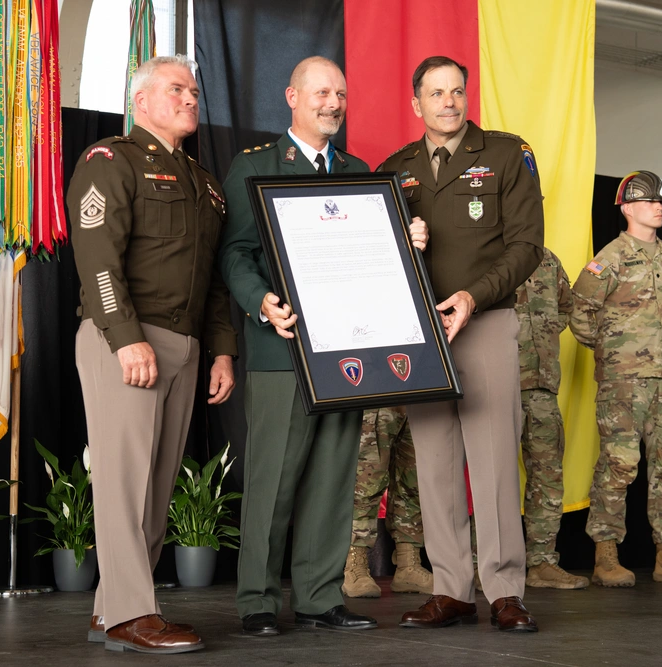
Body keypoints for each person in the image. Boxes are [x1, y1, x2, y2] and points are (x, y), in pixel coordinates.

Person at [219, 56, 426, 637]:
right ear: (291, 96)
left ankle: (317, 597)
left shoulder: (362, 171)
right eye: (320, 93)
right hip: (282, 346)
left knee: (335, 478)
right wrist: (260, 300)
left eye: (340, 93)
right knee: (273, 480)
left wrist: (406, 236)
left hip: (347, 350)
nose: (332, 103)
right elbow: (233, 253)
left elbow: (376, 259)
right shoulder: (253, 166)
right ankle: (258, 601)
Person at [69, 55, 237, 655]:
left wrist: (220, 352)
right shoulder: (110, 161)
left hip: (185, 347)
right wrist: (124, 335)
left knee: (155, 488)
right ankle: (131, 614)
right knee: (124, 483)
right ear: (141, 101)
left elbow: (215, 281)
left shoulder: (206, 184)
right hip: (128, 341)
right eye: (176, 89)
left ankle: (108, 611)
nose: (191, 98)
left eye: (194, 89)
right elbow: (97, 259)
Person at [383, 55, 542, 633]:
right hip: (421, 331)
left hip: (485, 321)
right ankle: (450, 589)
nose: (448, 102)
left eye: (456, 91)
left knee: (495, 459)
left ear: (466, 97)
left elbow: (527, 246)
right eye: (435, 93)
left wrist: (473, 297)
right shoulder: (394, 168)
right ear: (416, 103)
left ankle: (504, 590)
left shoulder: (504, 154)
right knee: (435, 461)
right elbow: (377, 257)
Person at [570, 170, 662, 588]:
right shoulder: (609, 258)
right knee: (619, 465)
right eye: (650, 201)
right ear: (627, 207)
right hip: (623, 381)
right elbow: (580, 316)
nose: (658, 207)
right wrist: (613, 353)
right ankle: (606, 555)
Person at [516, 248, 588, 589]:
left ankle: (542, 562)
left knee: (547, 474)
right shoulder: (483, 251)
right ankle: (476, 561)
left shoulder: (547, 259)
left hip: (542, 384)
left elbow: (565, 306)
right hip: (497, 383)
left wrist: (540, 335)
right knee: (489, 476)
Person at [342, 407, 433, 598]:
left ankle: (408, 564)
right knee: (367, 480)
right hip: (378, 392)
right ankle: (354, 564)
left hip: (417, 393)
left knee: (413, 482)